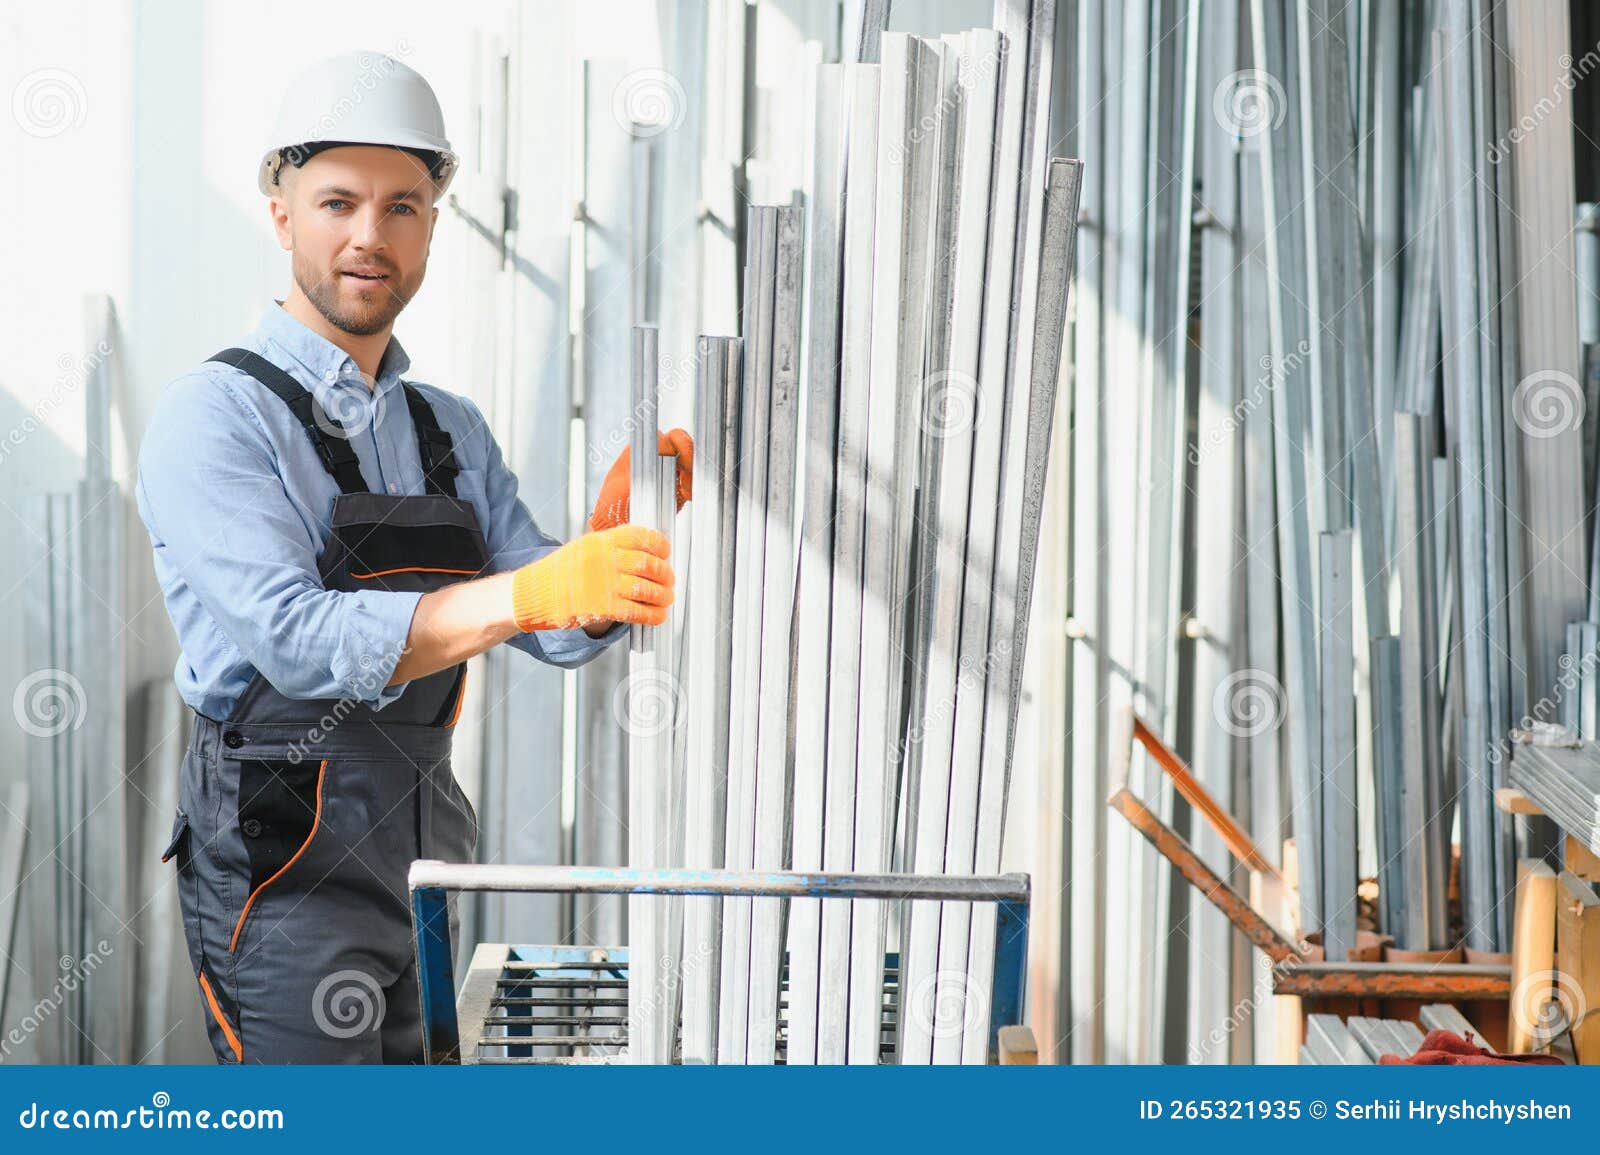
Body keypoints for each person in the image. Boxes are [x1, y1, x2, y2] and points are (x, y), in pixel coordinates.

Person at [134, 51, 691, 1064]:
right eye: (337, 201)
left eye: (402, 206)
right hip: (281, 864)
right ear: (281, 213)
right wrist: (529, 591)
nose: (368, 235)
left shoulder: (448, 429)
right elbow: (301, 644)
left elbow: (553, 631)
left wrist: (600, 566)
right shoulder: (213, 417)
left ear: (433, 223)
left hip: (423, 848)